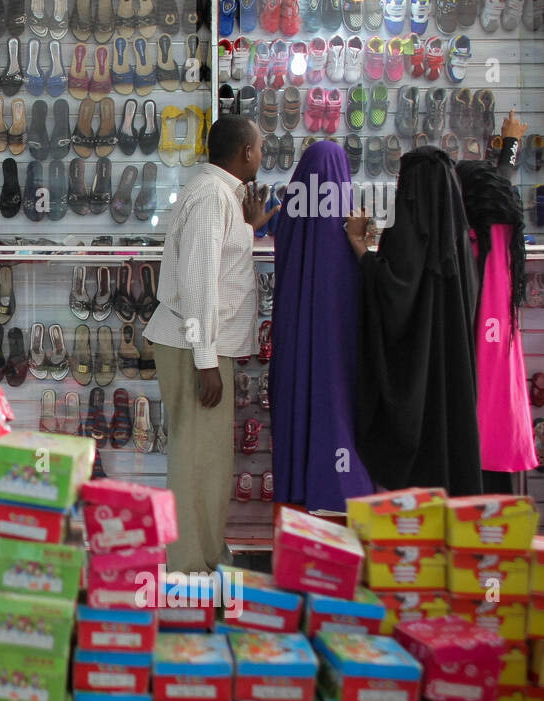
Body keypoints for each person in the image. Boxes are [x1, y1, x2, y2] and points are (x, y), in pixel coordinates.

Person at [144, 115, 275, 572]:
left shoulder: (221, 196)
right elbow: (199, 281)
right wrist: (204, 361)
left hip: (201, 344)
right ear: (244, 153)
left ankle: (200, 558)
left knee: (206, 462)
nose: (263, 154)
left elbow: (217, 262)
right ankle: (188, 567)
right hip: (195, 346)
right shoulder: (210, 197)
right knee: (198, 462)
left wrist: (250, 226)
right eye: (259, 147)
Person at [347, 145, 481, 495]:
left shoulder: (408, 227)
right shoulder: (459, 240)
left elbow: (393, 290)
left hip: (418, 387)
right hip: (451, 378)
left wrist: (358, 243)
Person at [270, 140, 374, 512]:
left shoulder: (290, 222)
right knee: (335, 400)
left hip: (295, 336)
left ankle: (297, 481)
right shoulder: (349, 227)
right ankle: (338, 482)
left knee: (298, 396)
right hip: (338, 341)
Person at [457, 111, 538, 489]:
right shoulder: (504, 236)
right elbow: (500, 186)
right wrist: (510, 145)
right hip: (503, 383)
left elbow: (495, 187)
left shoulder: (469, 243)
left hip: (474, 388)